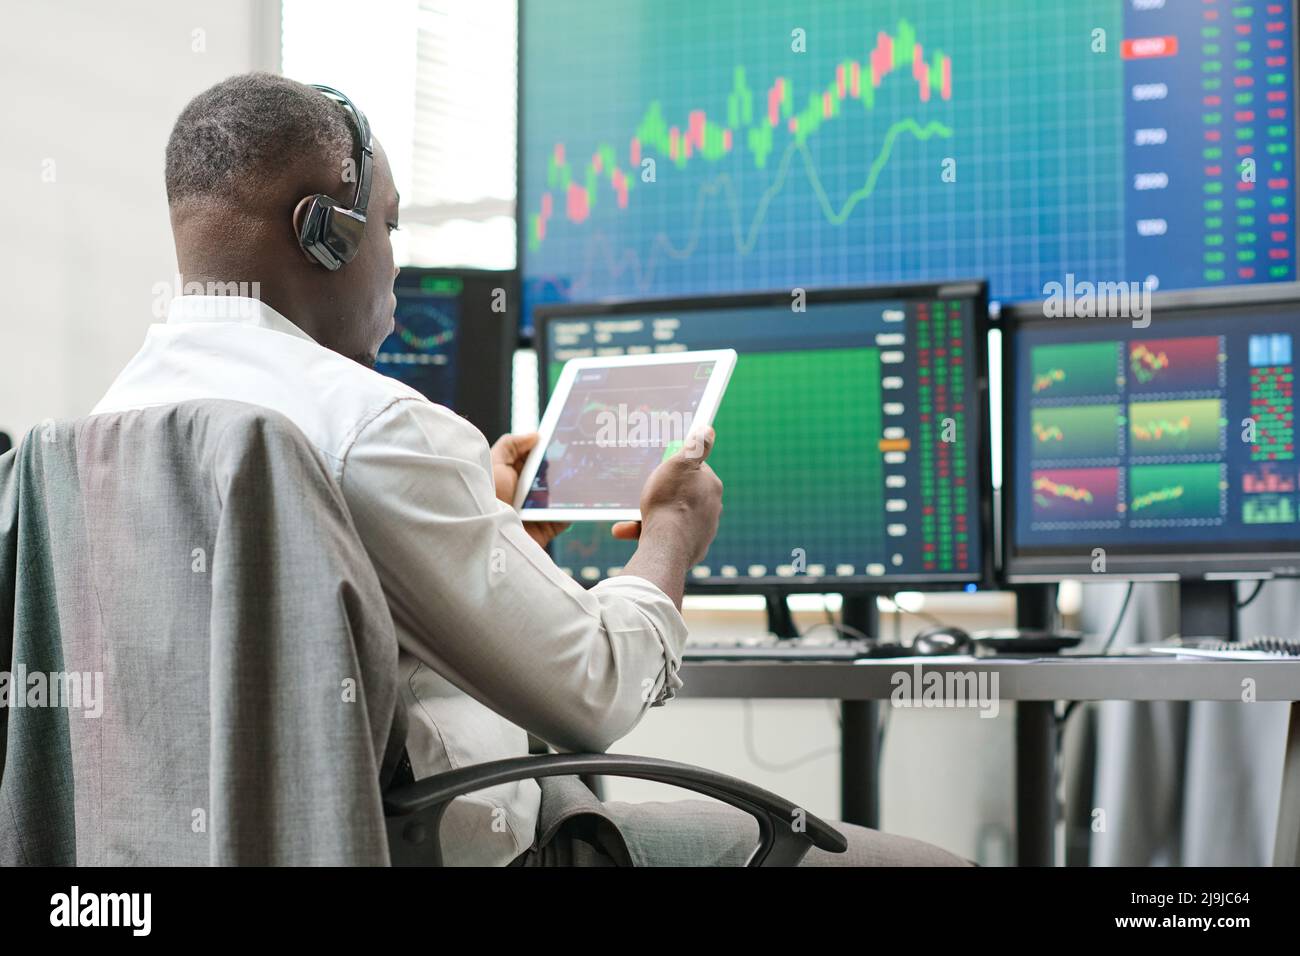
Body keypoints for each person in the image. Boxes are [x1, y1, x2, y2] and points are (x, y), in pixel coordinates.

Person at [94, 73, 967, 866]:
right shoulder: (372, 427)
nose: (395, 261)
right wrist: (668, 539)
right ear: (322, 233)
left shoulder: (102, 431)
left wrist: (495, 531)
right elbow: (591, 693)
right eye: (388, 226)